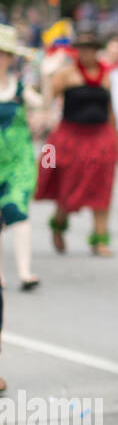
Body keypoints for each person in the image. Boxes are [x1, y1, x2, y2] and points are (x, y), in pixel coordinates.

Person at [35, 22, 118, 256]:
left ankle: (99, 238)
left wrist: (116, 140)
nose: (86, 52)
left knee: (102, 185)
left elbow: (110, 108)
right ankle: (59, 224)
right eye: (81, 48)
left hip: (100, 135)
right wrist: (46, 74)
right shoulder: (65, 74)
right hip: (71, 136)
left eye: (90, 48)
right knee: (68, 185)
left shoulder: (106, 75)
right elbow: (47, 101)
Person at [0, 28, 41, 289]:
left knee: (17, 208)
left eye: (5, 53)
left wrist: (47, 76)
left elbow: (43, 106)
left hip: (18, 160)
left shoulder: (20, 87)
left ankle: (25, 271)